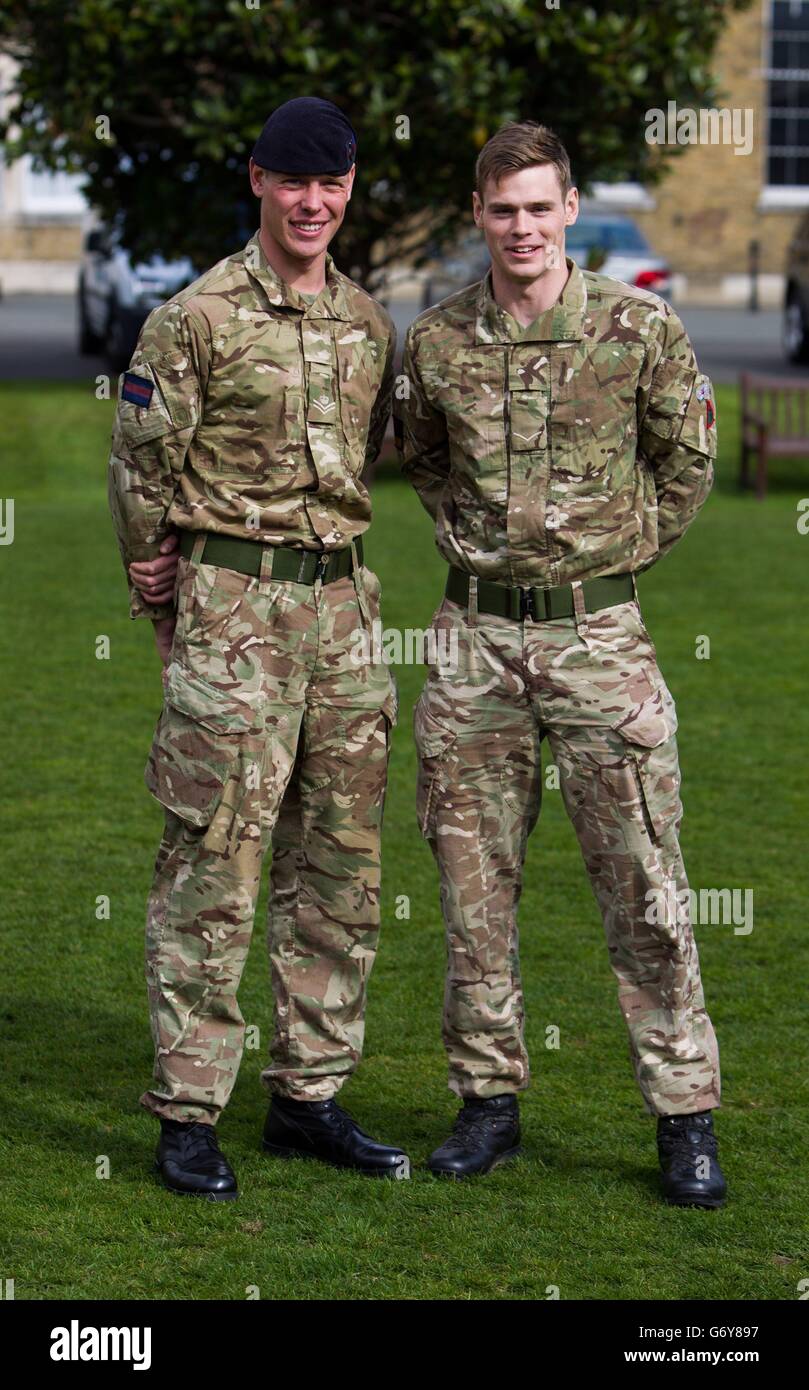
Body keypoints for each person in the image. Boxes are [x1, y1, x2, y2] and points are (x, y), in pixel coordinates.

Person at [395, 121, 726, 1207]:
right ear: (477, 215)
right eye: (502, 209)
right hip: (474, 644)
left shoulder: (639, 329)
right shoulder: (436, 343)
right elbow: (426, 466)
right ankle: (486, 1101)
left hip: (599, 642)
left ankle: (683, 1114)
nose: (522, 227)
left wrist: (611, 559)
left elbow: (684, 462)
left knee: (643, 882)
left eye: (539, 207)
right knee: (471, 889)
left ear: (570, 209)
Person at [108, 96, 410, 1200]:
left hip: (344, 619)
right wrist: (159, 584)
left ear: (348, 189)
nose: (312, 202)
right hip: (234, 618)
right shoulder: (192, 320)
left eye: (330, 184)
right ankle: (188, 1111)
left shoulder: (367, 323)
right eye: (294, 182)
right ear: (258, 181)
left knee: (338, 866)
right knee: (214, 863)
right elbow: (141, 469)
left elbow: (368, 459)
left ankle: (307, 1096)